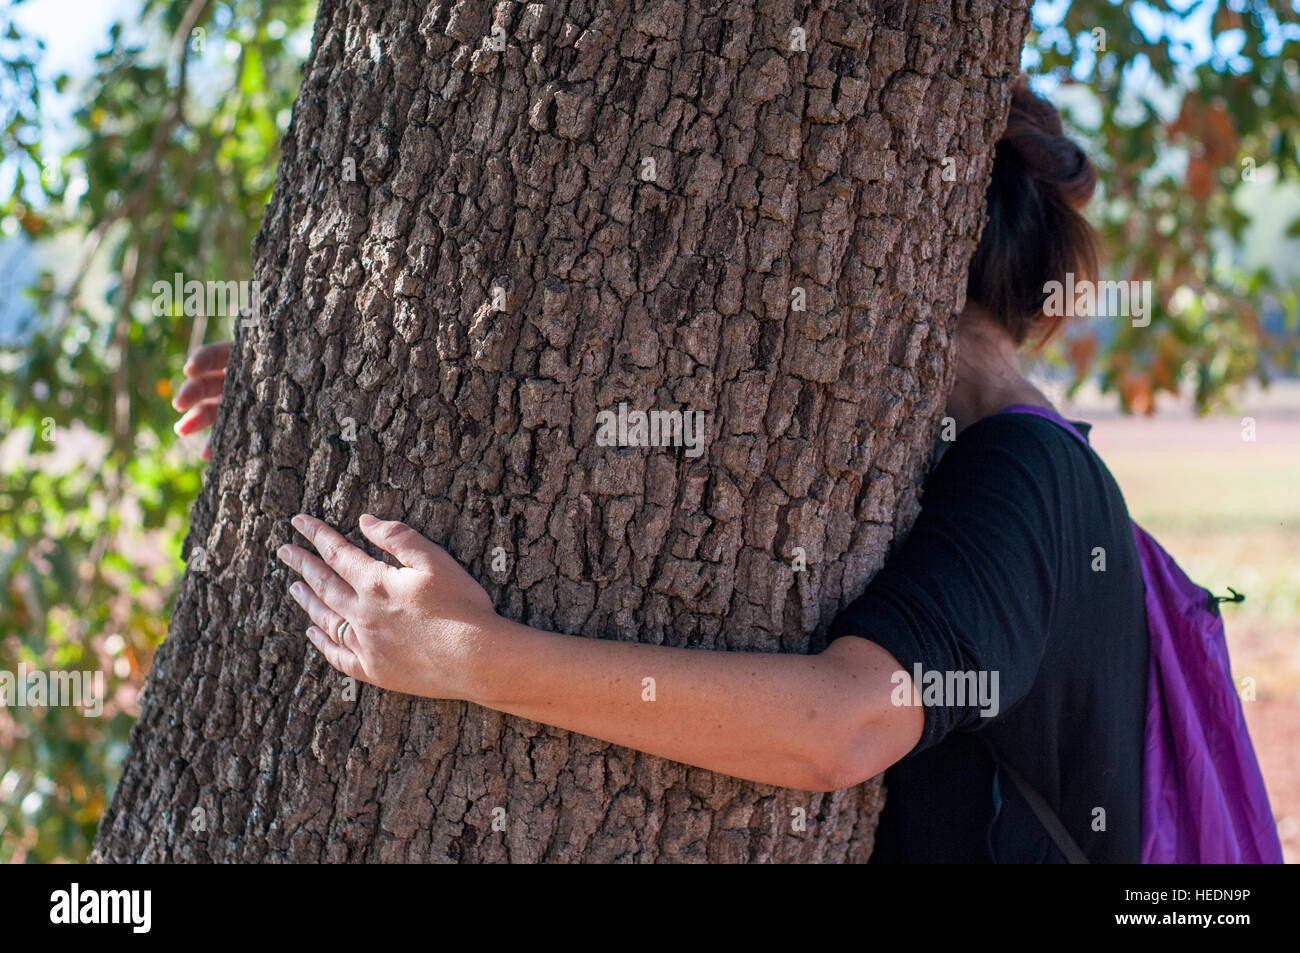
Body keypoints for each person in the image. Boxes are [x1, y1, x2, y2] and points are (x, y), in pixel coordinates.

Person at [174, 79, 1146, 863]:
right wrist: (314, 412)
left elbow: (843, 724)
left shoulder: (1025, 472)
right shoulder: (982, 466)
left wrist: (470, 653)